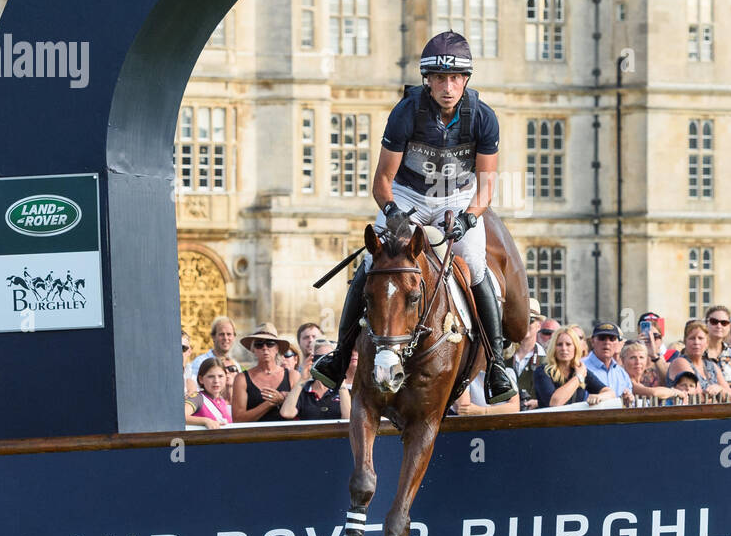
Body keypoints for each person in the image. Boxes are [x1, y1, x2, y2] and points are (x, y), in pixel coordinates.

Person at [312, 30, 516, 403]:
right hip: (408, 196)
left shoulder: (484, 118)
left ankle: (498, 365)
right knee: (371, 265)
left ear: (466, 80)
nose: (448, 87)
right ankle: (340, 356)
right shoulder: (405, 113)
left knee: (475, 265)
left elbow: (487, 187)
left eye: (455, 78)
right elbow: (383, 182)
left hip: (456, 197)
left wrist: (470, 218)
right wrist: (392, 213)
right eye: (440, 78)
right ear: (428, 81)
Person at [233, 323, 296, 422]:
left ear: (277, 348)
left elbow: (303, 409)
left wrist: (283, 399)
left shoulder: (293, 376)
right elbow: (237, 419)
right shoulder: (242, 379)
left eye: (270, 343)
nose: (265, 348)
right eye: (259, 344)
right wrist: (269, 403)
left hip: (286, 435)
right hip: (254, 436)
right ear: (253, 349)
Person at [533, 327, 609, 408]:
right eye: (559, 344)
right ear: (554, 348)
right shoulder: (543, 371)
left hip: (575, 419)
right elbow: (555, 402)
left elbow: (610, 392)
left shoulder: (579, 369)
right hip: (549, 420)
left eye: (568, 344)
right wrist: (578, 377)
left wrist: (599, 397)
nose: (564, 348)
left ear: (575, 347)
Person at [666, 321, 731, 397]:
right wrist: (720, 395)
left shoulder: (711, 365)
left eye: (700, 338)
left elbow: (730, 396)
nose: (696, 342)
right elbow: (697, 396)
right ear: (685, 342)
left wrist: (720, 389)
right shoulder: (680, 362)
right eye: (692, 338)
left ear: (707, 343)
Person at [583, 322, 634, 403]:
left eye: (612, 339)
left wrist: (627, 400)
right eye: (602, 338)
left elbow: (629, 405)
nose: (607, 342)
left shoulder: (622, 373)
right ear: (592, 341)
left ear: (618, 343)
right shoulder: (580, 366)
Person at [186, 357, 233, 429]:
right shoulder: (197, 398)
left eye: (220, 376)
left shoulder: (222, 401)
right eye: (211, 376)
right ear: (201, 379)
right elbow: (180, 417)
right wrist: (205, 421)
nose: (216, 381)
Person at [704, 306, 731, 386]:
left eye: (724, 323)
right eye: (714, 321)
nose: (719, 326)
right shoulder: (698, 351)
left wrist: (725, 391)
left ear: (729, 326)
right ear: (706, 323)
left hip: (730, 398)